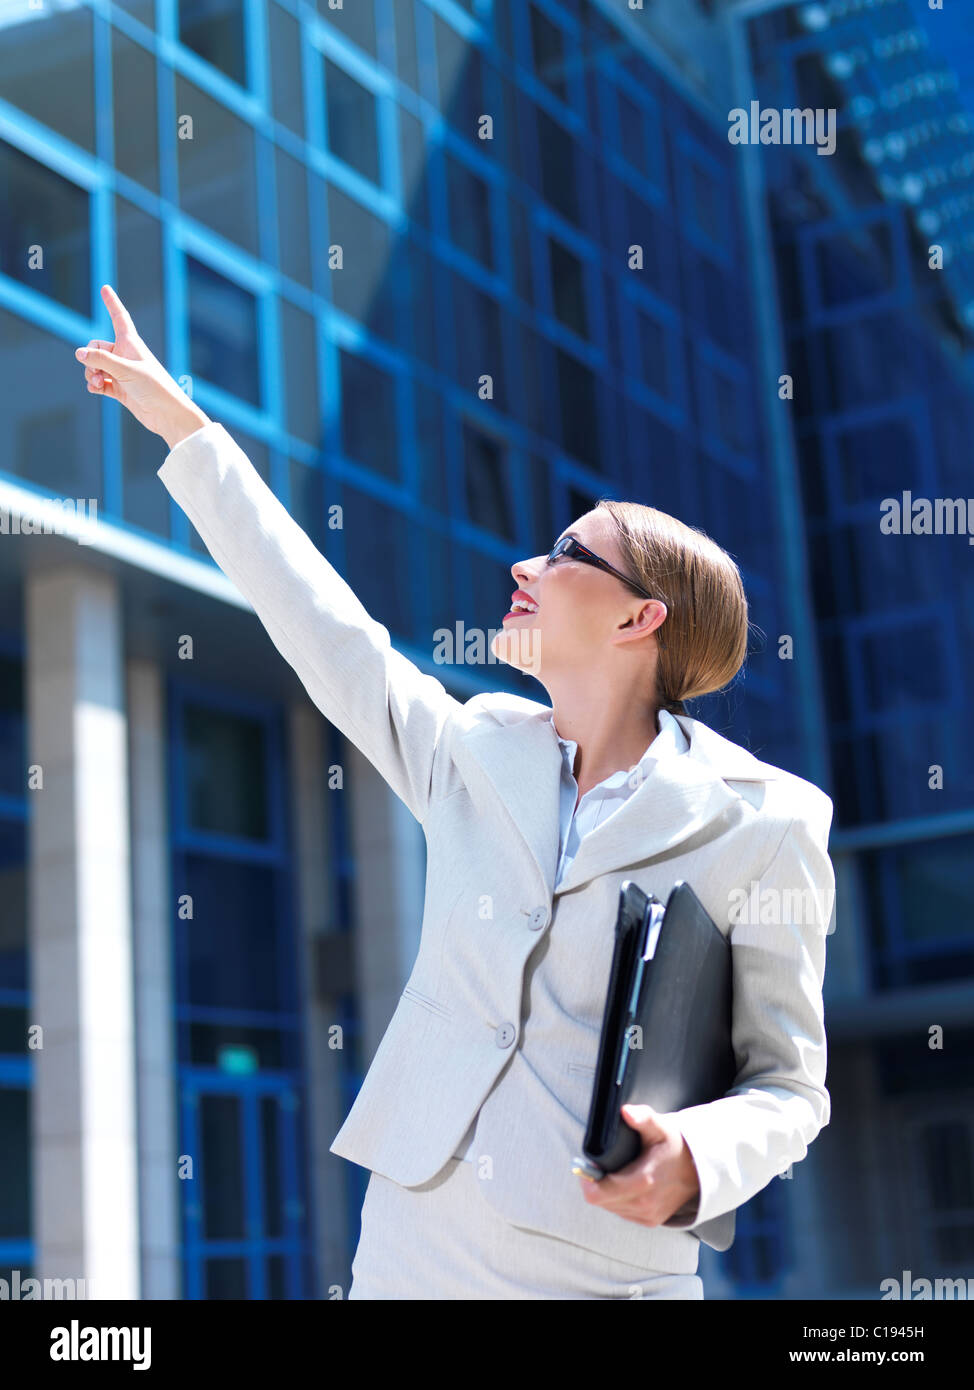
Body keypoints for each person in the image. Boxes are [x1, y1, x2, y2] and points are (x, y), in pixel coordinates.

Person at [75, 284, 835, 1301]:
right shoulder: (473, 750)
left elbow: (788, 1083)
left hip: (605, 1271)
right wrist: (187, 430)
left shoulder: (766, 821)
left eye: (567, 554)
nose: (526, 565)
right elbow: (325, 628)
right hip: (411, 1245)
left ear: (638, 619)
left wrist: (697, 1156)